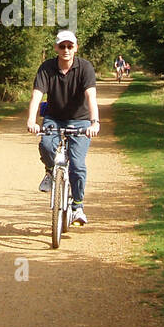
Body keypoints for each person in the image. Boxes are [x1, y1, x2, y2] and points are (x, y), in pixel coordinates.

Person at [27, 30, 99, 226]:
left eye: (70, 46)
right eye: (62, 46)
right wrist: (31, 121)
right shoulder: (47, 68)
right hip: (54, 118)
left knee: (77, 164)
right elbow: (37, 96)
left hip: (81, 120)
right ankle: (50, 171)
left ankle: (78, 206)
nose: (66, 50)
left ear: (75, 47)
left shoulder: (85, 67)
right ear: (56, 48)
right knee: (47, 145)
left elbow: (91, 96)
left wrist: (95, 122)